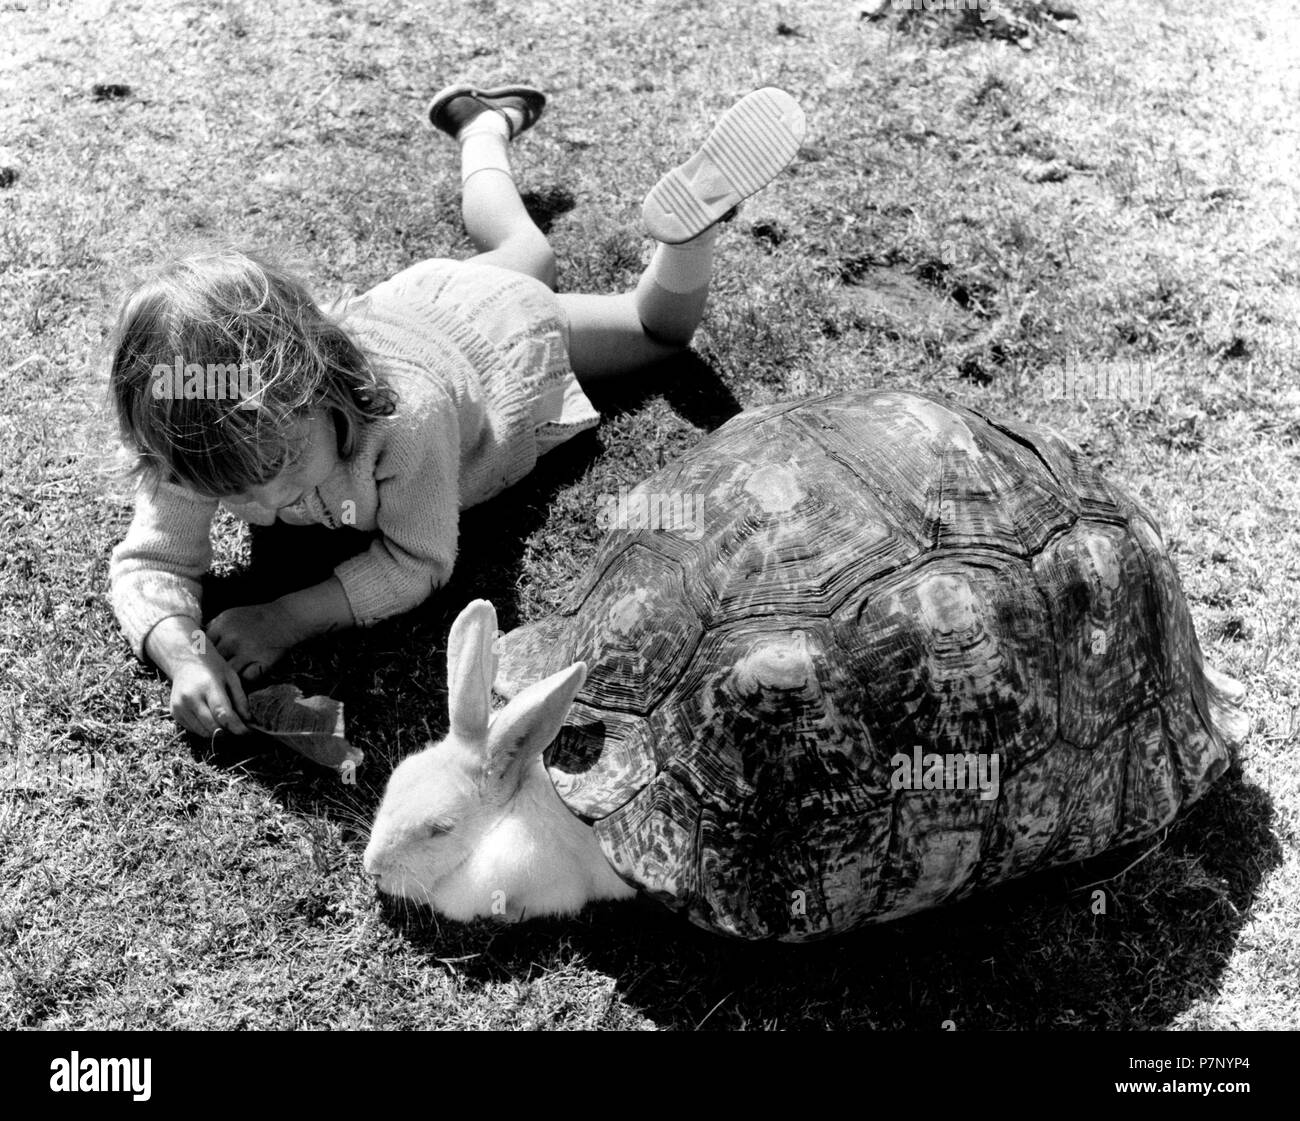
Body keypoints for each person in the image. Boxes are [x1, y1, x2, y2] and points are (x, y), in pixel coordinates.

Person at [106, 83, 806, 739]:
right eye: (231, 489)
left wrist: (287, 616)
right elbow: (149, 561)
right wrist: (179, 650)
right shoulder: (196, 424)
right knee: (520, 247)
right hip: (422, 301)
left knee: (650, 331)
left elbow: (420, 560)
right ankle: (484, 125)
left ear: (319, 383)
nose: (265, 499)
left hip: (496, 339)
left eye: (282, 462)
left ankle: (688, 236)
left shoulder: (406, 424)